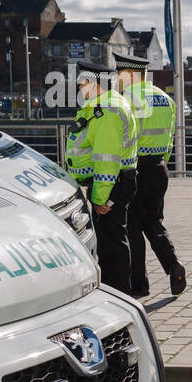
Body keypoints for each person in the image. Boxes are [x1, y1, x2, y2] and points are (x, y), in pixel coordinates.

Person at [117, 53, 186, 298]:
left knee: (133, 227)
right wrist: (161, 162)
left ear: (129, 74)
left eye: (119, 74)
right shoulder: (165, 99)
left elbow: (122, 138)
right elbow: (170, 140)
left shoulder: (125, 99)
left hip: (135, 168)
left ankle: (139, 285)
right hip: (158, 168)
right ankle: (173, 264)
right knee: (153, 221)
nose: (117, 79)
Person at [65, 59, 138, 293]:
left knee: (111, 246)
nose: (79, 86)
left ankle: (119, 294)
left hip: (110, 184)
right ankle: (119, 291)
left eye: (82, 82)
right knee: (111, 241)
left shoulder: (106, 111)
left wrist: (99, 198)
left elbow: (107, 159)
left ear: (95, 84)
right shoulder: (107, 105)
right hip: (113, 182)